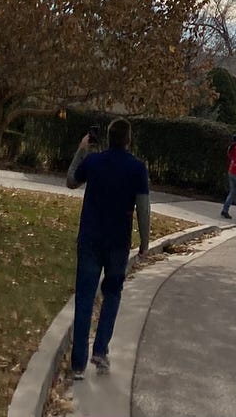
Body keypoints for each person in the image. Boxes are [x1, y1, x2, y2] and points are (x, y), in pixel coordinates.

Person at [65, 118, 151, 380]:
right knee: (112, 294)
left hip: (90, 238)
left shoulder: (93, 162)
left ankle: (78, 364)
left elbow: (70, 181)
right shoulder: (137, 169)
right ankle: (100, 350)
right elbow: (143, 208)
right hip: (118, 243)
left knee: (85, 297)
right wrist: (144, 243)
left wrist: (82, 150)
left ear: (108, 138)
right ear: (128, 140)